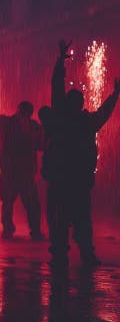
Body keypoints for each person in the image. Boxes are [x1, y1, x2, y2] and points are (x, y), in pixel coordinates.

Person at [43, 40, 119, 267]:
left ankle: (74, 252)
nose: (79, 104)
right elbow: (57, 86)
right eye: (76, 101)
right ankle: (69, 253)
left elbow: (103, 113)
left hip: (71, 179)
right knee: (68, 219)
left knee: (76, 219)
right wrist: (60, 62)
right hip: (66, 178)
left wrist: (115, 95)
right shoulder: (66, 120)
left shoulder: (76, 121)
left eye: (79, 101)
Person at [0, 78, 45, 240]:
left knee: (21, 203)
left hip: (17, 172)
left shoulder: (21, 126)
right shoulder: (24, 126)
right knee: (17, 203)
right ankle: (19, 230)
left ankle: (19, 230)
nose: (24, 116)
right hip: (17, 172)